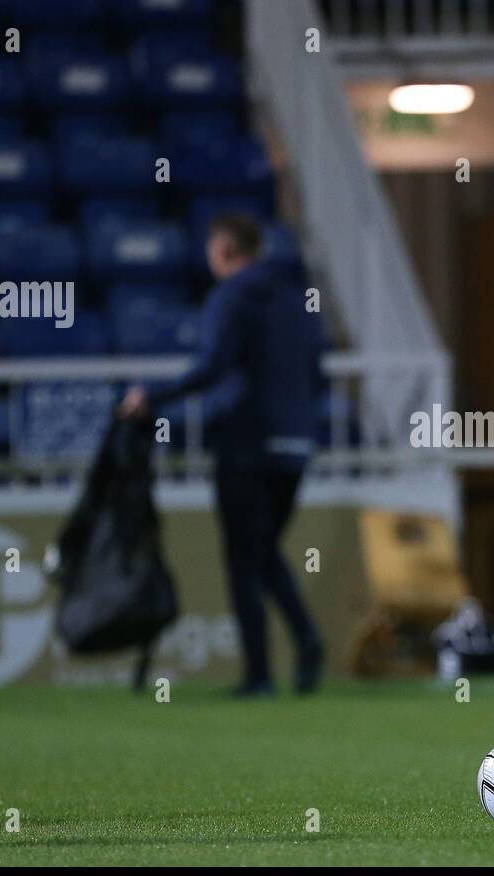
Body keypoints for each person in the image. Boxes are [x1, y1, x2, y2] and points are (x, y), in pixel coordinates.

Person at [119, 213, 324, 696]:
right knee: (264, 550)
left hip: (246, 444)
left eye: (213, 248)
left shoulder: (231, 295)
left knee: (243, 558)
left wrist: (151, 395)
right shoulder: (297, 299)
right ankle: (307, 639)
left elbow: (211, 366)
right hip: (294, 445)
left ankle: (259, 675)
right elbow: (316, 369)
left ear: (226, 250)